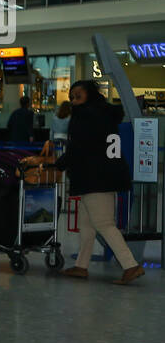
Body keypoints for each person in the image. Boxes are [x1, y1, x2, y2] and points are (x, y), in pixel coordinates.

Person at [53, 81, 142, 284]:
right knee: (86, 223)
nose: (74, 101)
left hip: (95, 177)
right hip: (106, 175)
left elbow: (78, 147)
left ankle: (130, 265)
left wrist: (59, 164)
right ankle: (81, 266)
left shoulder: (85, 115)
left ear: (90, 95)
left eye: (78, 96)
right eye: (72, 97)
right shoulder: (105, 113)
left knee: (104, 224)